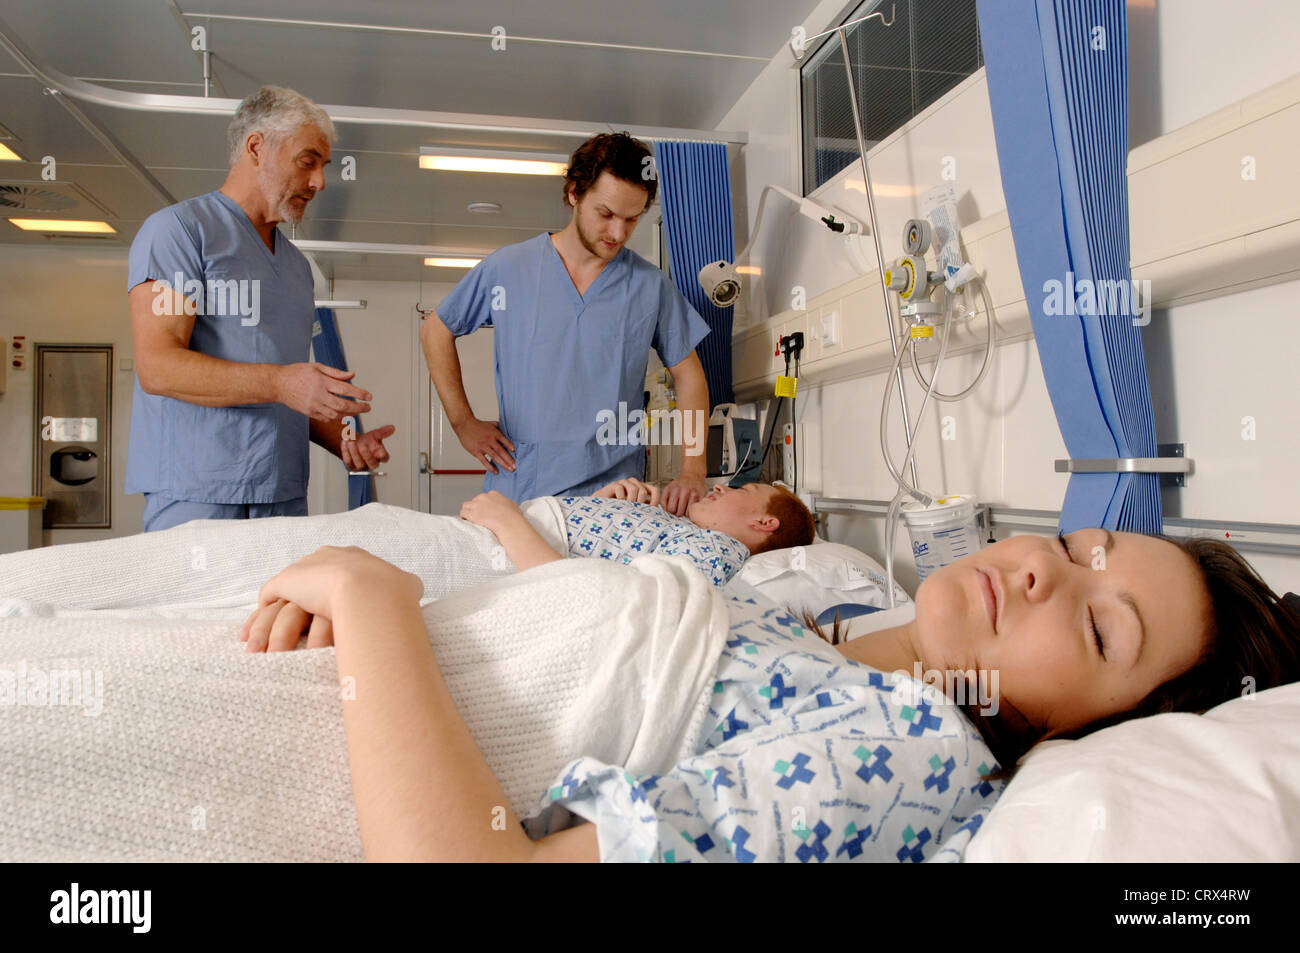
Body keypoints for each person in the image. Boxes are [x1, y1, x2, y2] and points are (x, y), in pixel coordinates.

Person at [242, 528, 1300, 862]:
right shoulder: (836, 656)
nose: (1039, 571)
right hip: (300, 669)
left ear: (1090, 732)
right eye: (1075, 545)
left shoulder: (912, 751)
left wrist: (372, 600)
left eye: (1096, 624)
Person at [126, 85, 394, 533]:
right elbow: (158, 367)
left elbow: (289, 390)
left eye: (323, 167)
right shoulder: (179, 233)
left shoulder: (295, 268)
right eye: (307, 162)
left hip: (282, 496)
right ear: (257, 147)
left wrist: (347, 439)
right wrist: (282, 382)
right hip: (199, 493)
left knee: (279, 607)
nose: (319, 182)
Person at [421, 132, 712, 516]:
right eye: (606, 214)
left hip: (616, 494)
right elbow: (436, 330)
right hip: (522, 486)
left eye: (632, 219)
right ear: (574, 192)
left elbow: (689, 376)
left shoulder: (649, 285)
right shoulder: (509, 268)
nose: (618, 233)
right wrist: (462, 422)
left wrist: (694, 469)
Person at [458, 477, 815, 588]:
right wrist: (604, 505)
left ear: (765, 523)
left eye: (744, 490)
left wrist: (508, 522)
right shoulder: (687, 532)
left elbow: (603, 597)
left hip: (506, 550)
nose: (722, 487)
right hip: (502, 535)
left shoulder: (718, 552)